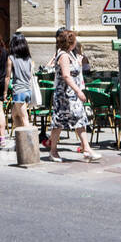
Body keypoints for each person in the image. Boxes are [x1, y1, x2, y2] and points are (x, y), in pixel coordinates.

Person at [47, 29, 99, 162]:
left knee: (80, 119)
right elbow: (66, 76)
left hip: (72, 96)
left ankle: (86, 149)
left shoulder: (71, 54)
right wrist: (78, 91)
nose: (76, 41)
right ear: (70, 42)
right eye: (74, 39)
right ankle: (53, 151)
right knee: (58, 123)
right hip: (64, 96)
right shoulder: (63, 55)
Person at [8, 32, 33, 131]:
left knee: (24, 119)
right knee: (15, 114)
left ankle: (29, 144)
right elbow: (30, 75)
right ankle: (20, 140)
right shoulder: (29, 59)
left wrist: (5, 91)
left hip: (19, 90)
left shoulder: (11, 58)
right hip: (27, 90)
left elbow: (7, 76)